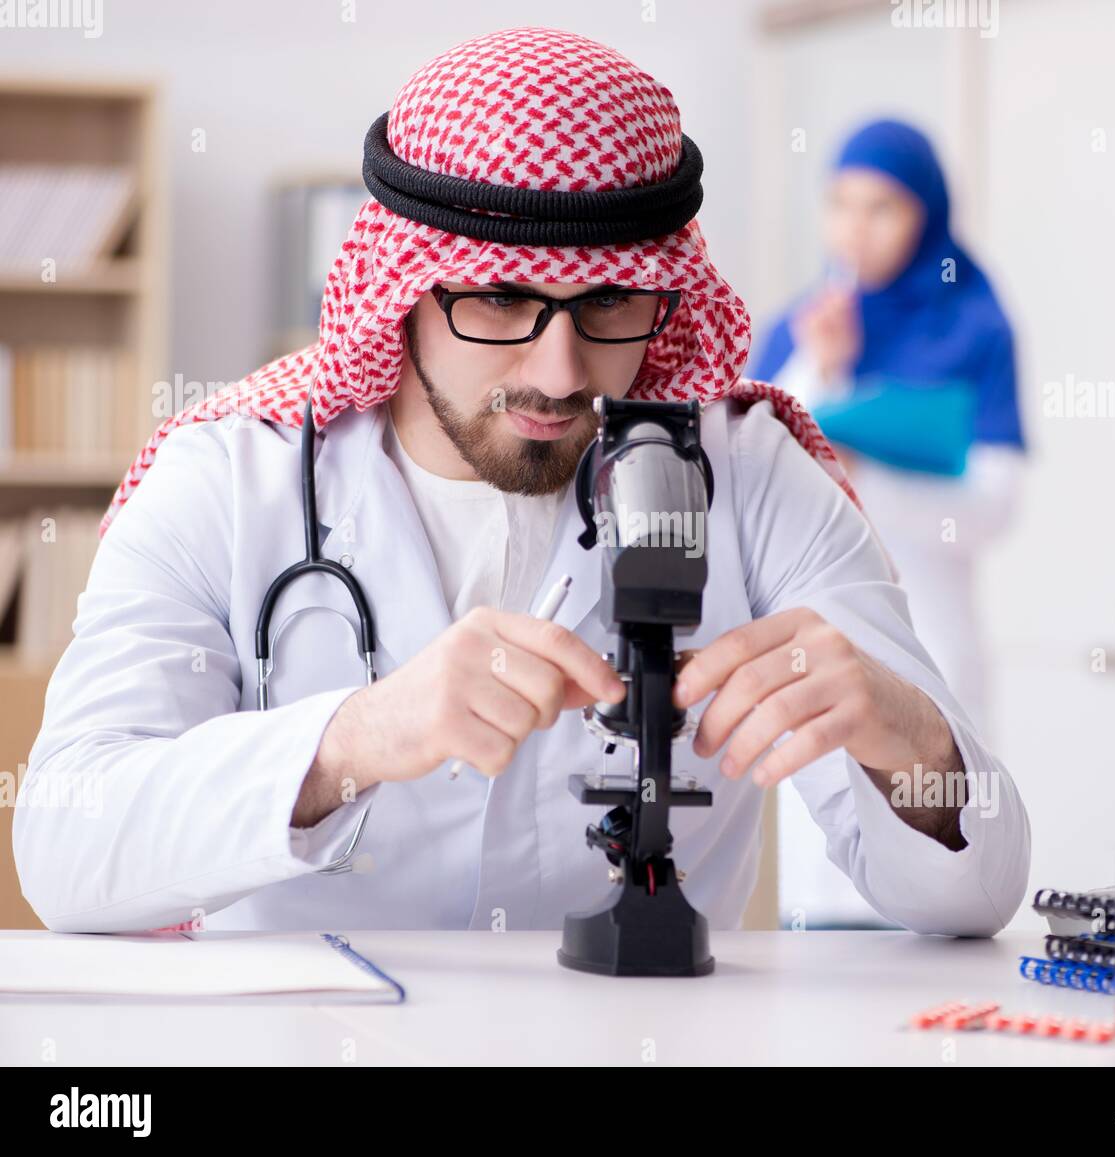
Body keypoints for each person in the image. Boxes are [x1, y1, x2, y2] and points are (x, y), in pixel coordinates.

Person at [14, 28, 1028, 936]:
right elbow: (66, 849)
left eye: (610, 302)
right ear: (405, 289)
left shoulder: (753, 473)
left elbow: (977, 889)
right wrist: (352, 738)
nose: (559, 372)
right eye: (500, 299)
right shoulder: (228, 475)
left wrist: (910, 740)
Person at [750, 119, 1026, 734]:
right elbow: (752, 472)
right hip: (810, 642)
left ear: (926, 214)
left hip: (933, 631)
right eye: (840, 204)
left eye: (882, 208)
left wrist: (862, 481)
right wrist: (820, 367)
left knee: (938, 809)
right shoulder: (798, 328)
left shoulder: (978, 329)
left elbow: (997, 508)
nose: (855, 229)